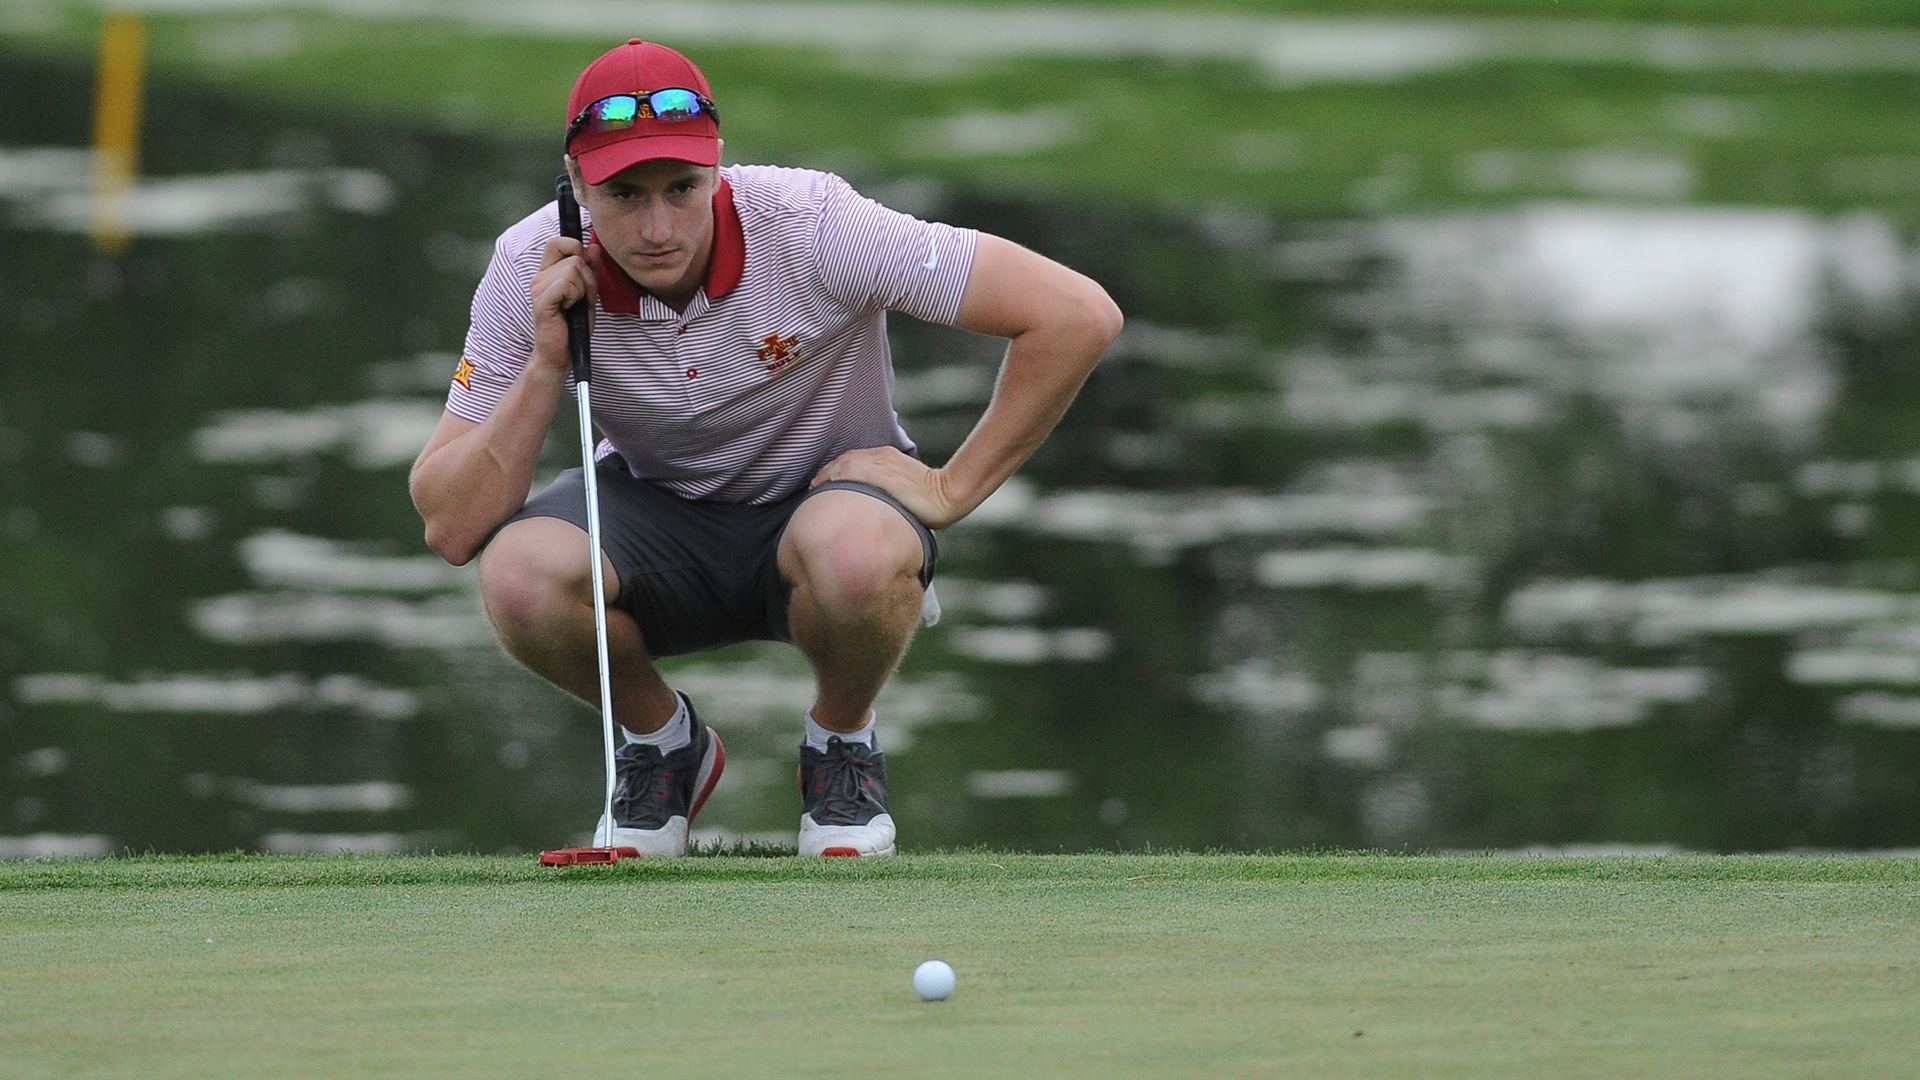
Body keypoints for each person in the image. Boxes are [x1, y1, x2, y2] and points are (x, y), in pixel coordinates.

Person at [409, 39, 1122, 857]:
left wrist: (950, 489)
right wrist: (545, 365)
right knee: (517, 575)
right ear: (575, 185)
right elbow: (451, 526)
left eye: (682, 189)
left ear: (718, 167)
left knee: (855, 556)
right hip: (658, 518)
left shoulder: (816, 226)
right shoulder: (527, 266)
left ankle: (841, 743)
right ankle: (661, 745)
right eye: (624, 195)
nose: (657, 228)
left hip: (827, 508)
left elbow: (1076, 315)